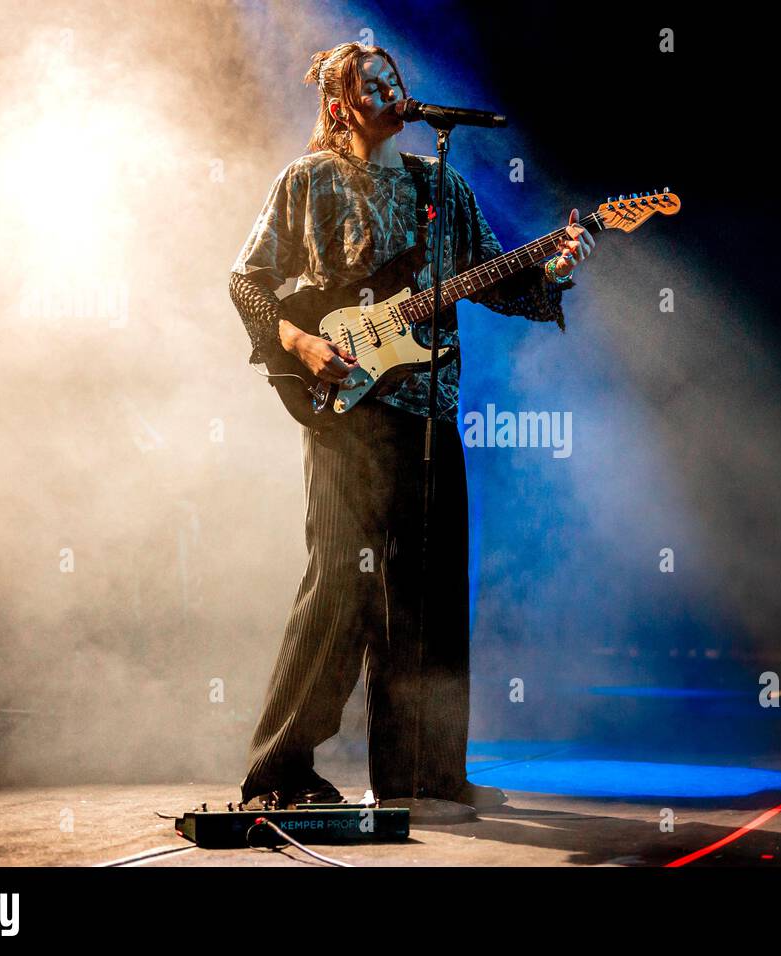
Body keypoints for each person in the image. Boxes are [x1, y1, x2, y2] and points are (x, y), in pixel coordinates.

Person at [228, 41, 594, 812]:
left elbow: (502, 280)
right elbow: (248, 280)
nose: (394, 90)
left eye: (397, 78)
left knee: (428, 598)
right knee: (338, 591)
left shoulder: (441, 185)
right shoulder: (308, 181)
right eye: (375, 83)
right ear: (341, 107)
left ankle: (425, 774)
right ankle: (279, 772)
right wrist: (299, 341)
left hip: (429, 413)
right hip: (346, 416)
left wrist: (556, 268)